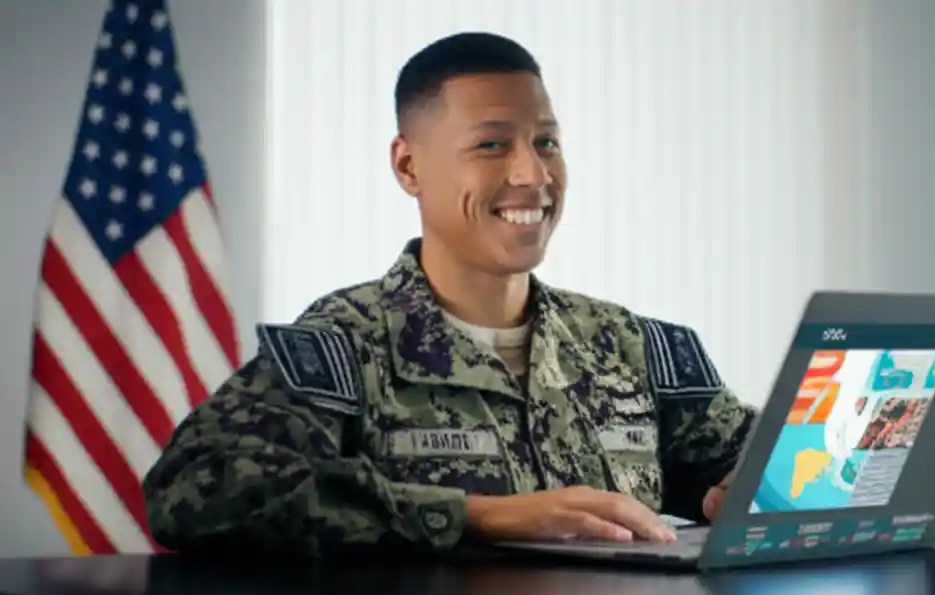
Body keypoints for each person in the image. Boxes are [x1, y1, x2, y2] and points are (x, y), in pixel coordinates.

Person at [142, 32, 758, 558]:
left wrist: (748, 491)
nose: (533, 174)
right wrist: (474, 516)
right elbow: (196, 487)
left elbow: (757, 461)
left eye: (546, 142)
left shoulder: (629, 347)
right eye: (492, 145)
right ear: (409, 167)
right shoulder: (345, 346)